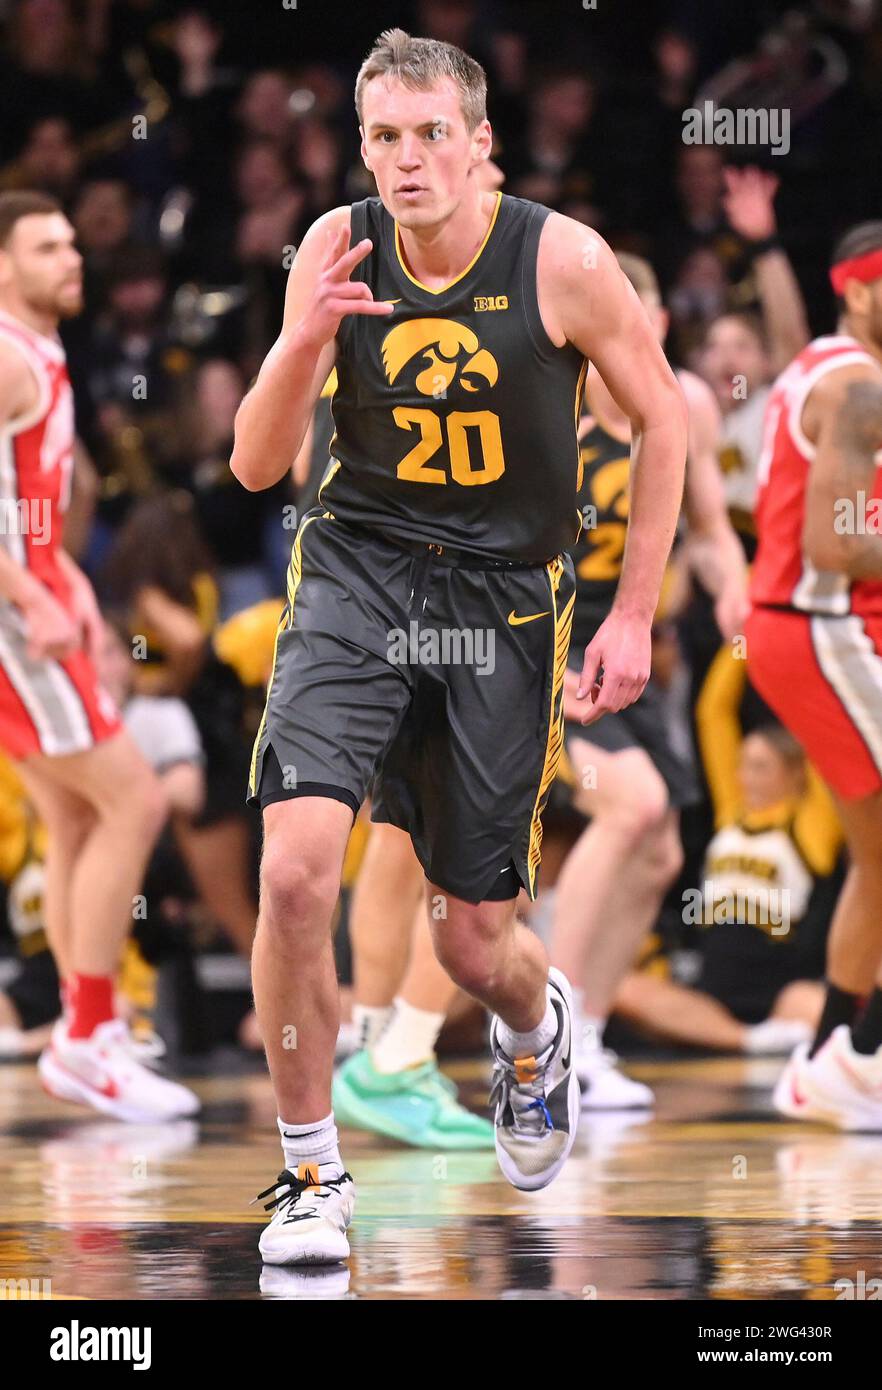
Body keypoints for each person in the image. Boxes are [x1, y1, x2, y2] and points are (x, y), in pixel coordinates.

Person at [232, 29, 686, 1265]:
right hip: (357, 574)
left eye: (433, 132)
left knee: (471, 940)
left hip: (503, 598)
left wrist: (633, 610)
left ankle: (537, 1031)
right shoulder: (334, 246)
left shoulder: (568, 260)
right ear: (362, 144)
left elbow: (666, 422)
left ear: (482, 143)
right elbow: (257, 465)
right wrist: (301, 338)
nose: (407, 158)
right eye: (385, 135)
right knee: (293, 874)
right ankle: (312, 1173)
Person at [0, 189, 197, 1121]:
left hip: (34, 606)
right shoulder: (5, 353)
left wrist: (64, 577)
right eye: (47, 247)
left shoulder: (39, 350)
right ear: (4, 266)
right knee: (138, 797)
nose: (71, 258)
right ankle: (87, 1032)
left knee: (79, 822)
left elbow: (24, 504)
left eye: (73, 243)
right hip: (12, 625)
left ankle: (92, 1031)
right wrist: (33, 592)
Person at [551, 252, 747, 1109]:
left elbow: (708, 527)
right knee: (629, 806)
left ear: (663, 323)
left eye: (651, 311)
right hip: (545, 644)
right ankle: (540, 1031)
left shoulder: (686, 404)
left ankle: (583, 1035)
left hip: (634, 651)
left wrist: (735, 585)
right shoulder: (545, 404)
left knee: (662, 846)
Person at [746, 221, 882, 1129]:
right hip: (823, 627)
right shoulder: (861, 386)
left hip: (809, 629)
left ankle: (828, 1055)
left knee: (875, 857)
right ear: (861, 291)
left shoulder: (824, 365)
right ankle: (860, 1057)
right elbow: (836, 541)